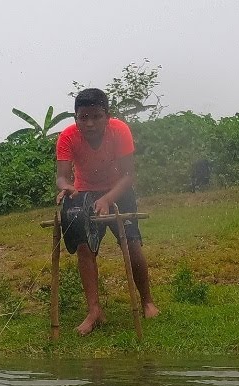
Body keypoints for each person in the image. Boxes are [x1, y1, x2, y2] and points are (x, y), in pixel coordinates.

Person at [55, 87, 160, 335]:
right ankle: (94, 311)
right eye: (83, 118)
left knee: (132, 244)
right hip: (84, 194)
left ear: (107, 115)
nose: (89, 123)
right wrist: (67, 187)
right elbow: (61, 177)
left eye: (96, 117)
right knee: (84, 248)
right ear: (75, 118)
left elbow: (128, 176)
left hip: (119, 190)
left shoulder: (120, 130)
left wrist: (107, 199)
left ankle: (147, 301)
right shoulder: (68, 137)